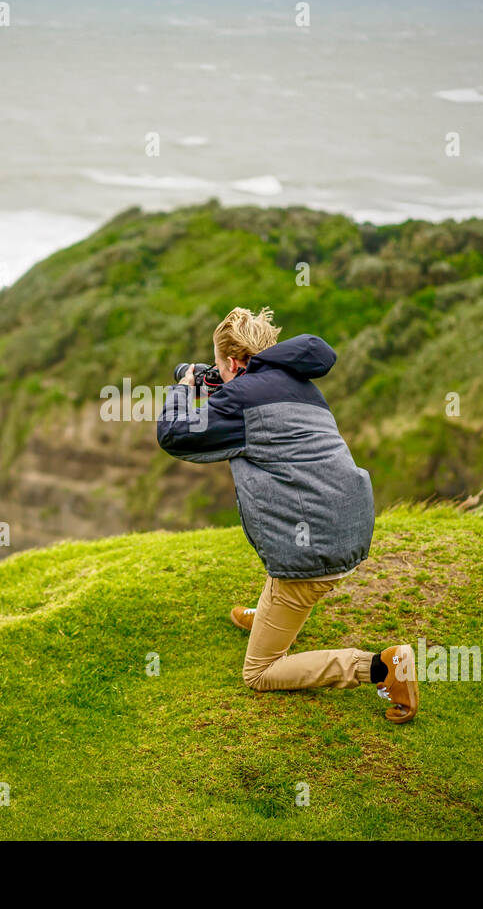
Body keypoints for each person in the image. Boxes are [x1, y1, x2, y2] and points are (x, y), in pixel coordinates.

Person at [156, 306, 417, 723]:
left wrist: (186, 386)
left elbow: (174, 434)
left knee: (259, 673)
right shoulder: (299, 385)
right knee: (287, 522)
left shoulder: (240, 396)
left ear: (235, 363)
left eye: (220, 367)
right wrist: (221, 387)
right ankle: (268, 615)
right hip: (347, 526)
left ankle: (383, 667)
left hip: (316, 548)